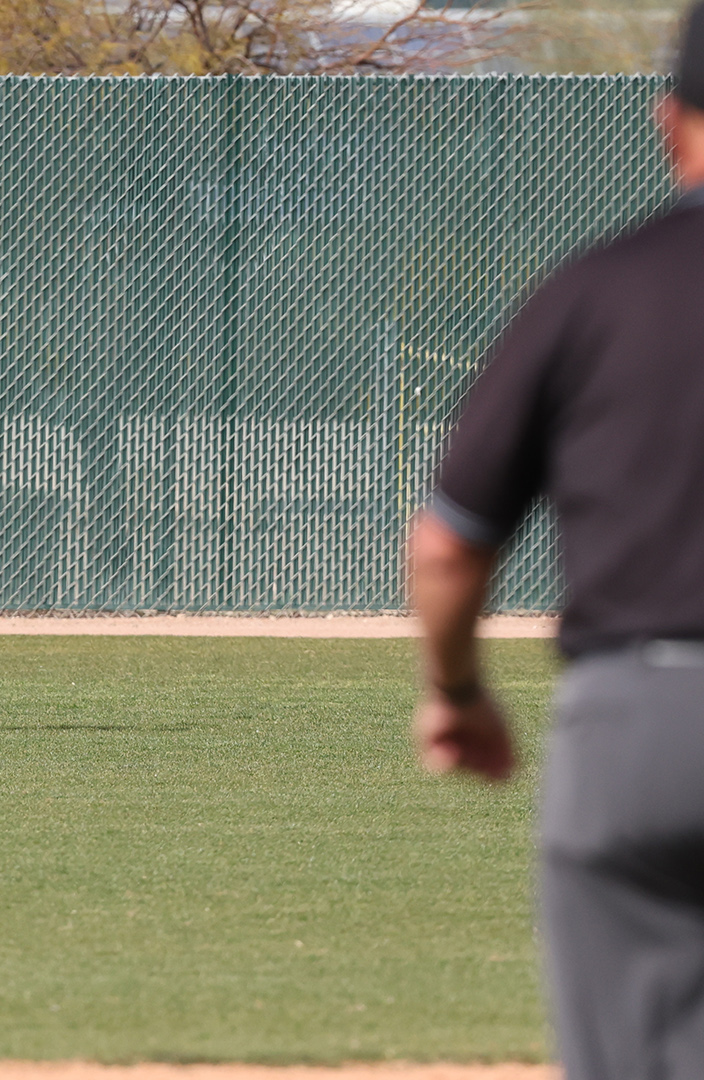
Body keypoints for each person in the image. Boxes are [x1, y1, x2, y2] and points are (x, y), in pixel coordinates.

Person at [409, 6, 704, 1075]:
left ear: (669, 121)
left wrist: (457, 692)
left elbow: (448, 548)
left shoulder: (599, 291)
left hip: (641, 727)